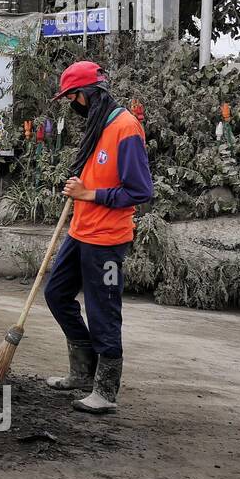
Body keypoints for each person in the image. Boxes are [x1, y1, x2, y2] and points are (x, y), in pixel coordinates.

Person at [43, 60, 153, 414]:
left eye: (74, 97)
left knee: (103, 310)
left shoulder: (125, 128)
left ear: (87, 94)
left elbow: (140, 191)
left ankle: (106, 392)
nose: (73, 105)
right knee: (56, 294)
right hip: (80, 232)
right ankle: (83, 370)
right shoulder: (97, 125)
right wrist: (78, 190)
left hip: (107, 240)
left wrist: (90, 194)